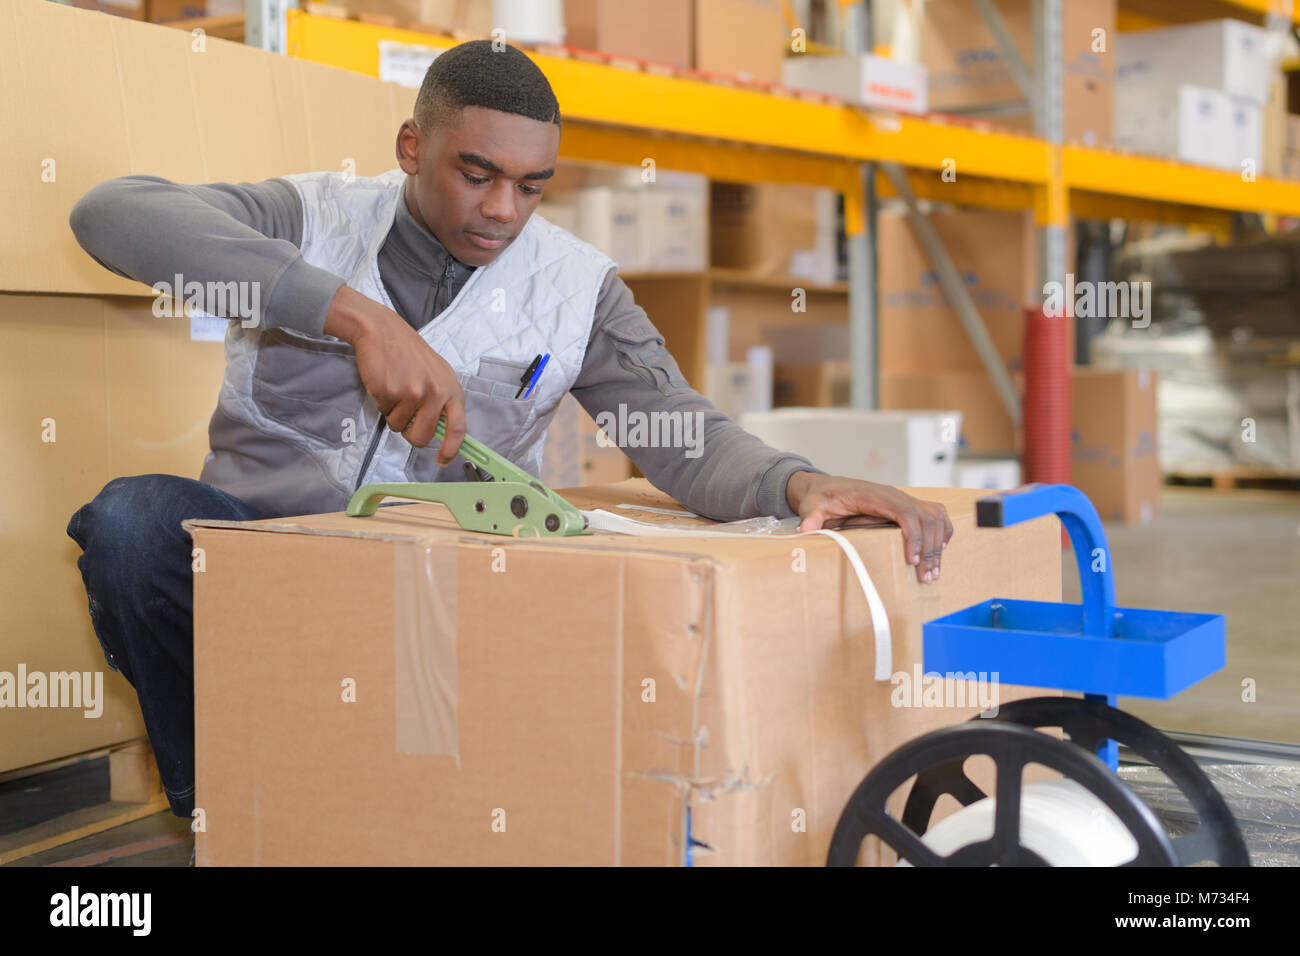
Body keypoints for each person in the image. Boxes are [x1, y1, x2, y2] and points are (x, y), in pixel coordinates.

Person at [65, 40, 953, 820]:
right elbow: (111, 214)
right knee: (131, 523)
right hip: (262, 556)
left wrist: (800, 485)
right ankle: (221, 802)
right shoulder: (314, 218)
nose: (502, 210)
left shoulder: (574, 292)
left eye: (532, 186)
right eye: (476, 173)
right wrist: (352, 316)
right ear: (413, 147)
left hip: (441, 583)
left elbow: (680, 431)